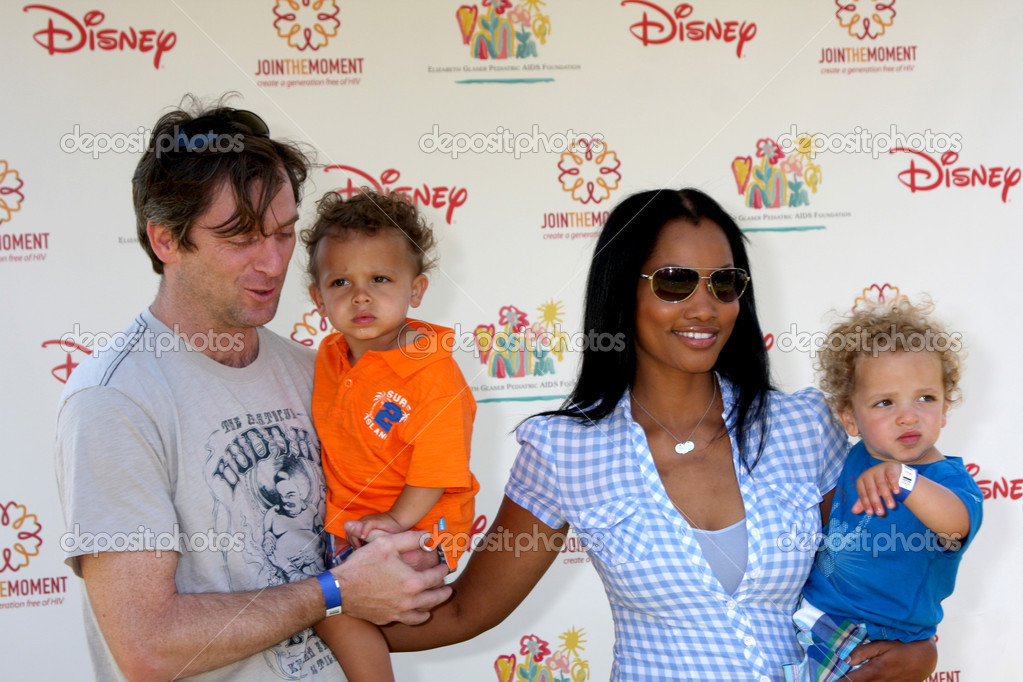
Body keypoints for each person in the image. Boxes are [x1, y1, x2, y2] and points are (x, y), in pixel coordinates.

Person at [378, 188, 939, 681]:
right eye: (674, 282)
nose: (705, 306)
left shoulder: (803, 426)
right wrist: (320, 611)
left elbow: (874, 572)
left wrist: (923, 651)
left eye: (724, 283)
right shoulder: (564, 451)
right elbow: (464, 612)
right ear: (625, 291)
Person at [53, 98, 452, 681]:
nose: (273, 263)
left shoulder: (316, 370)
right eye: (240, 236)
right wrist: (335, 592)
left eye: (285, 234)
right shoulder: (114, 401)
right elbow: (148, 647)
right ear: (165, 239)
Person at [301, 189, 479, 682]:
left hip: (420, 527)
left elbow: (437, 471)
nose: (361, 296)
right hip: (352, 528)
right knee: (322, 610)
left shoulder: (430, 371)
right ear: (318, 297)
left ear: (415, 290)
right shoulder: (330, 358)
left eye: (380, 279)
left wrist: (395, 523)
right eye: (341, 282)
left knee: (336, 614)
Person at [783, 300, 983, 682]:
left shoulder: (948, 481)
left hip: (873, 638)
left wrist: (904, 479)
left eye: (925, 398)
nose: (908, 415)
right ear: (849, 417)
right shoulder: (853, 458)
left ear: (945, 408)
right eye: (885, 402)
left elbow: (957, 525)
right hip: (813, 617)